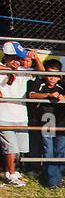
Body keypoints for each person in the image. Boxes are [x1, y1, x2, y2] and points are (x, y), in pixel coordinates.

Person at [26, 58, 65, 187]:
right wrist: (49, 95)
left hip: (62, 119)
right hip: (47, 118)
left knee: (61, 151)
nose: (52, 78)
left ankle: (54, 177)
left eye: (55, 75)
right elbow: (31, 95)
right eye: (49, 74)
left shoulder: (63, 85)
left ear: (59, 76)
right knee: (49, 150)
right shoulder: (39, 83)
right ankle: (53, 181)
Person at [1, 42, 40, 185]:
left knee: (17, 149)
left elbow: (40, 72)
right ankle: (12, 175)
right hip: (3, 115)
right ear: (8, 58)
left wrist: (36, 58)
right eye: (16, 58)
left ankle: (8, 172)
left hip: (21, 115)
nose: (19, 61)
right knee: (11, 147)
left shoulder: (23, 70)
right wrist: (8, 69)